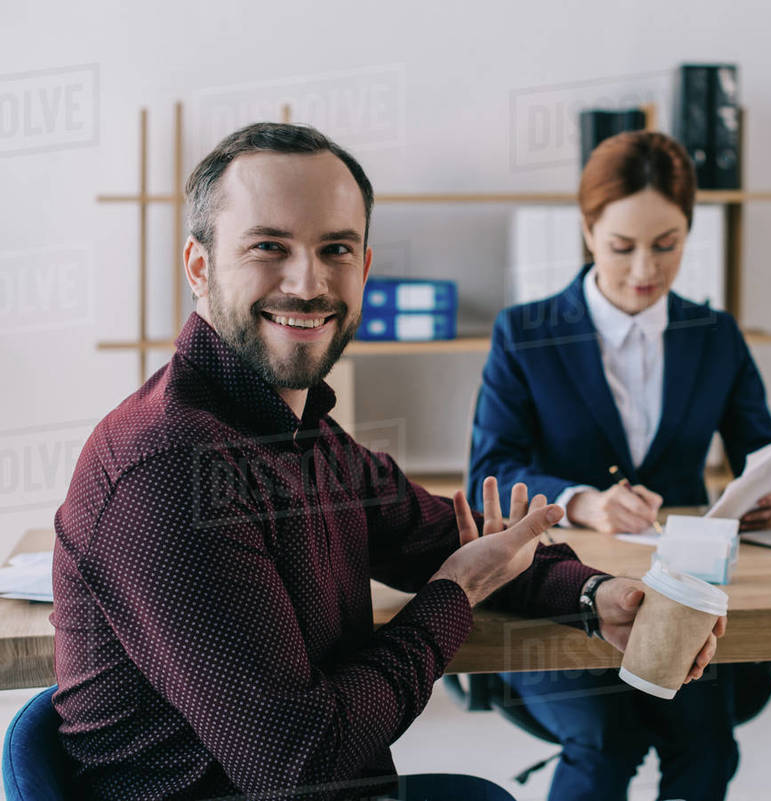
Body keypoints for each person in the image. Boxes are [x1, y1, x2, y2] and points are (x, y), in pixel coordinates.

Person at [49, 123, 723, 801]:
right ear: (199, 266)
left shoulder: (304, 433)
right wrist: (453, 596)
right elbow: (304, 763)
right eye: (268, 247)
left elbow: (453, 537)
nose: (308, 282)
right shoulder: (166, 468)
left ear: (364, 269)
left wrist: (595, 594)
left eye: (334, 248)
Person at [469, 130, 771, 801]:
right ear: (590, 230)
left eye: (668, 243)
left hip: (679, 591)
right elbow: (493, 467)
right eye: (623, 246)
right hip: (559, 593)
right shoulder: (526, 332)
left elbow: (767, 450)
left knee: (707, 745)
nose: (645, 268)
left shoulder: (713, 335)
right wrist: (584, 500)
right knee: (604, 736)